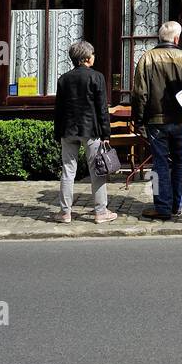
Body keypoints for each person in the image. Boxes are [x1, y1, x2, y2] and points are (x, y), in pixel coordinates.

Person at [131, 19, 182, 222]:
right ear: (177, 38)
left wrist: (139, 119)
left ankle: (162, 206)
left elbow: (140, 93)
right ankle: (177, 204)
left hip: (156, 119)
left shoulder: (147, 58)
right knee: (180, 161)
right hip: (179, 119)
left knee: (160, 162)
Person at [52, 39, 116, 225]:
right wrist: (106, 134)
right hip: (91, 130)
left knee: (68, 171)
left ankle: (65, 213)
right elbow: (102, 108)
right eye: (93, 54)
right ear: (87, 58)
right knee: (97, 171)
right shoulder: (97, 77)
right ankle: (100, 212)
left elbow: (59, 109)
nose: (94, 57)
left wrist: (58, 132)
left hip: (68, 129)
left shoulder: (64, 79)